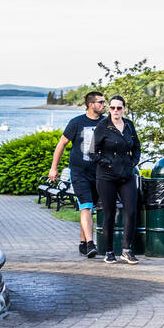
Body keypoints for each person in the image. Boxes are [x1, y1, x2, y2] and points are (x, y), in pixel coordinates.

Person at [49, 91, 105, 258]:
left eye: (104, 102)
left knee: (87, 208)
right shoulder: (76, 123)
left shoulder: (106, 122)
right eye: (100, 102)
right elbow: (61, 145)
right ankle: (90, 244)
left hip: (99, 173)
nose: (104, 105)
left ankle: (82, 242)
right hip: (79, 172)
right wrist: (54, 168)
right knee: (86, 206)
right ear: (90, 105)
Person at [92, 95, 142, 265]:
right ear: (109, 109)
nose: (115, 111)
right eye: (112, 108)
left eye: (119, 108)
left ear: (124, 109)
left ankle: (127, 250)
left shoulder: (129, 125)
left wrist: (134, 161)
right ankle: (109, 251)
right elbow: (93, 152)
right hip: (106, 176)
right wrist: (107, 163)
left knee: (131, 211)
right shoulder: (102, 126)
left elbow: (136, 147)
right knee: (109, 213)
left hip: (126, 174)